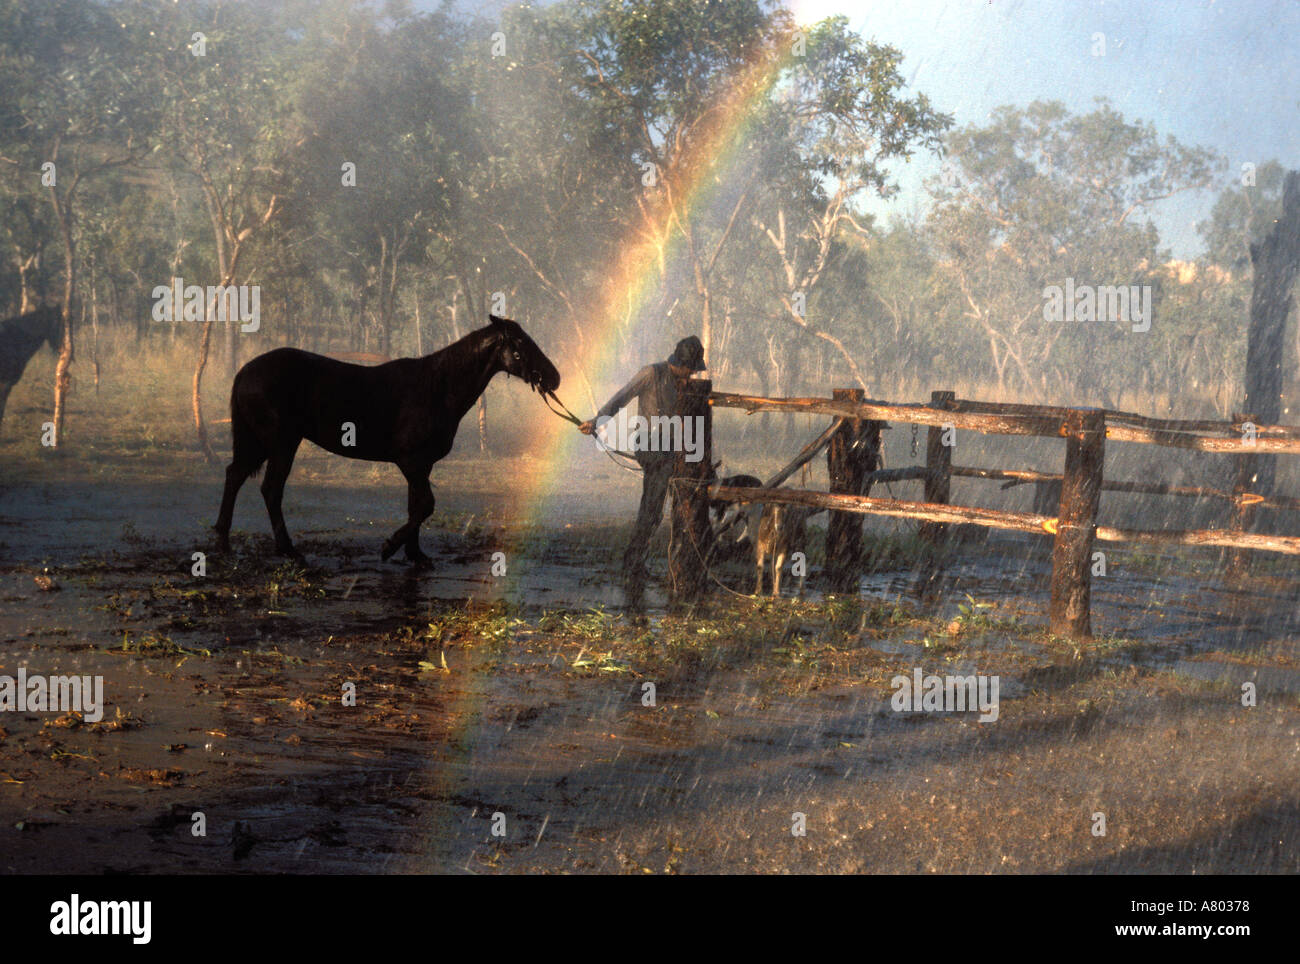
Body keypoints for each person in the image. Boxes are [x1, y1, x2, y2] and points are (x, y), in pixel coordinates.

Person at [579, 335, 707, 606]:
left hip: (672, 447)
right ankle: (633, 564)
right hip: (651, 444)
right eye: (690, 370)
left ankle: (650, 560)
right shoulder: (651, 373)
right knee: (652, 508)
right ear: (681, 364)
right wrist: (597, 421)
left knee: (667, 501)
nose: (691, 376)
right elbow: (621, 397)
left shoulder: (684, 384)